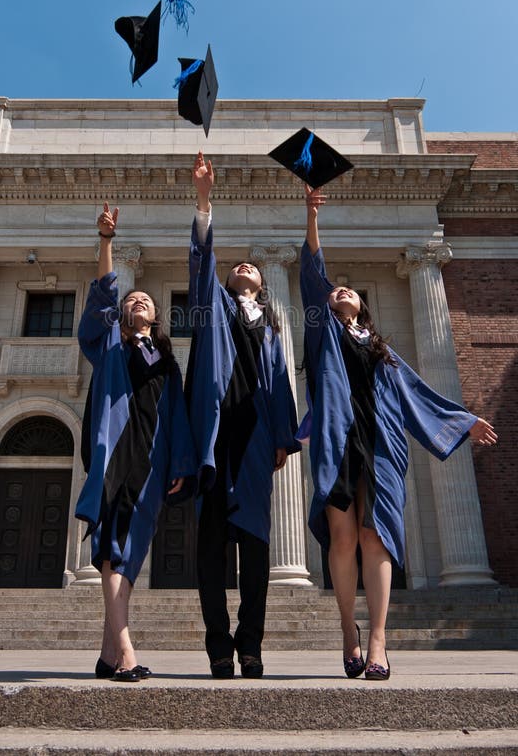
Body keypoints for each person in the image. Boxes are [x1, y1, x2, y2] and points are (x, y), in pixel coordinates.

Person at [299, 185, 497, 681]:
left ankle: (379, 642)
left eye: (350, 292)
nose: (341, 292)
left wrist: (463, 420)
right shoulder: (324, 333)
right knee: (342, 539)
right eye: (336, 292)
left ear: (363, 309)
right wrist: (311, 218)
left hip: (381, 444)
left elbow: (416, 394)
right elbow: (311, 277)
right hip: (339, 441)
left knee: (377, 536)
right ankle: (349, 629)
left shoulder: (383, 352)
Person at [187, 152, 300, 679]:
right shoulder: (214, 305)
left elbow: (282, 389)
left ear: (262, 284)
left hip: (255, 440)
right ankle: (218, 646)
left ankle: (250, 643)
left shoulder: (275, 333)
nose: (244, 268)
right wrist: (205, 201)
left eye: (250, 268)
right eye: (238, 267)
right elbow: (202, 262)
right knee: (211, 550)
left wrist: (282, 437)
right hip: (216, 435)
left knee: (255, 548)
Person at [76, 202, 199, 682]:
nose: (139, 301)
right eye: (133, 300)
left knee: (131, 551)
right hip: (117, 453)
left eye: (147, 300)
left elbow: (180, 418)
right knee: (113, 547)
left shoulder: (167, 361)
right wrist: (106, 242)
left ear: (157, 317)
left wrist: (180, 465)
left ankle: (107, 656)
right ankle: (126, 651)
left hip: (153, 458)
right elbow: (104, 299)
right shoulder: (111, 343)